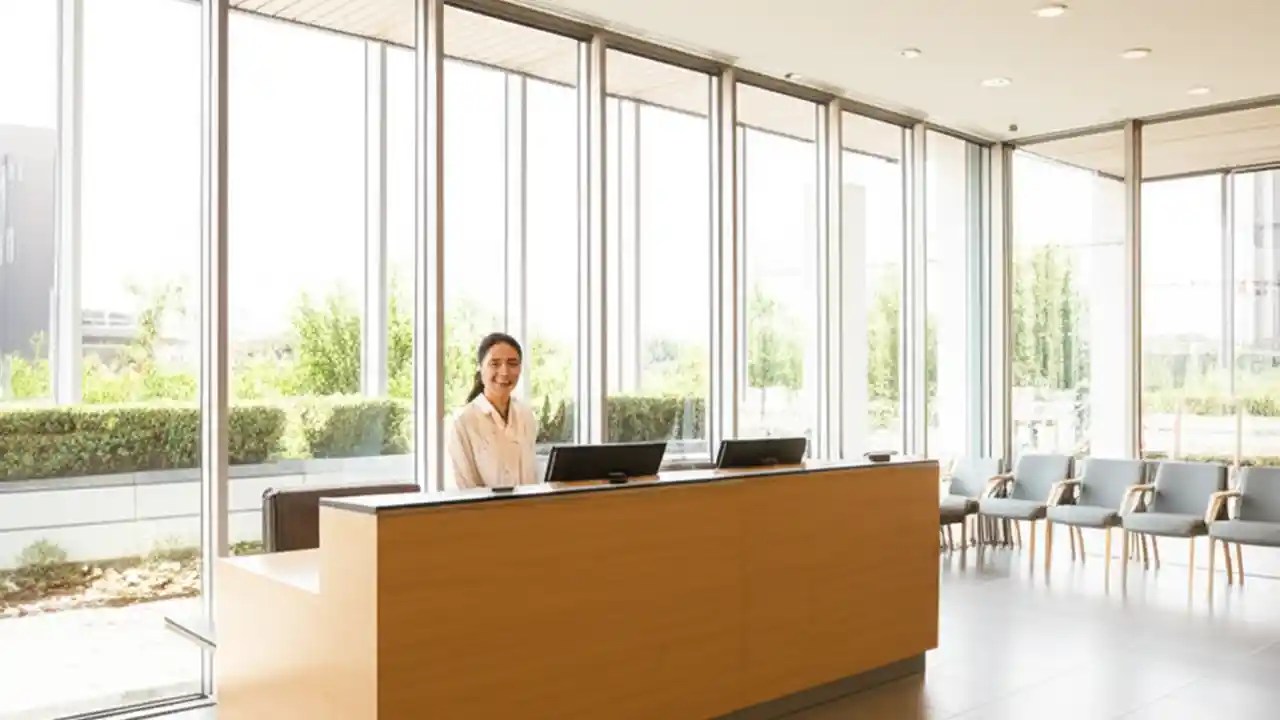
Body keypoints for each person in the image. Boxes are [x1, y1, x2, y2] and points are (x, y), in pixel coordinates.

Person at [447, 333, 539, 490]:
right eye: (494, 364)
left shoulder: (526, 415)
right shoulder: (463, 421)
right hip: (482, 506)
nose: (504, 372)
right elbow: (463, 486)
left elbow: (532, 478)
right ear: (480, 369)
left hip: (527, 505)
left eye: (512, 363)